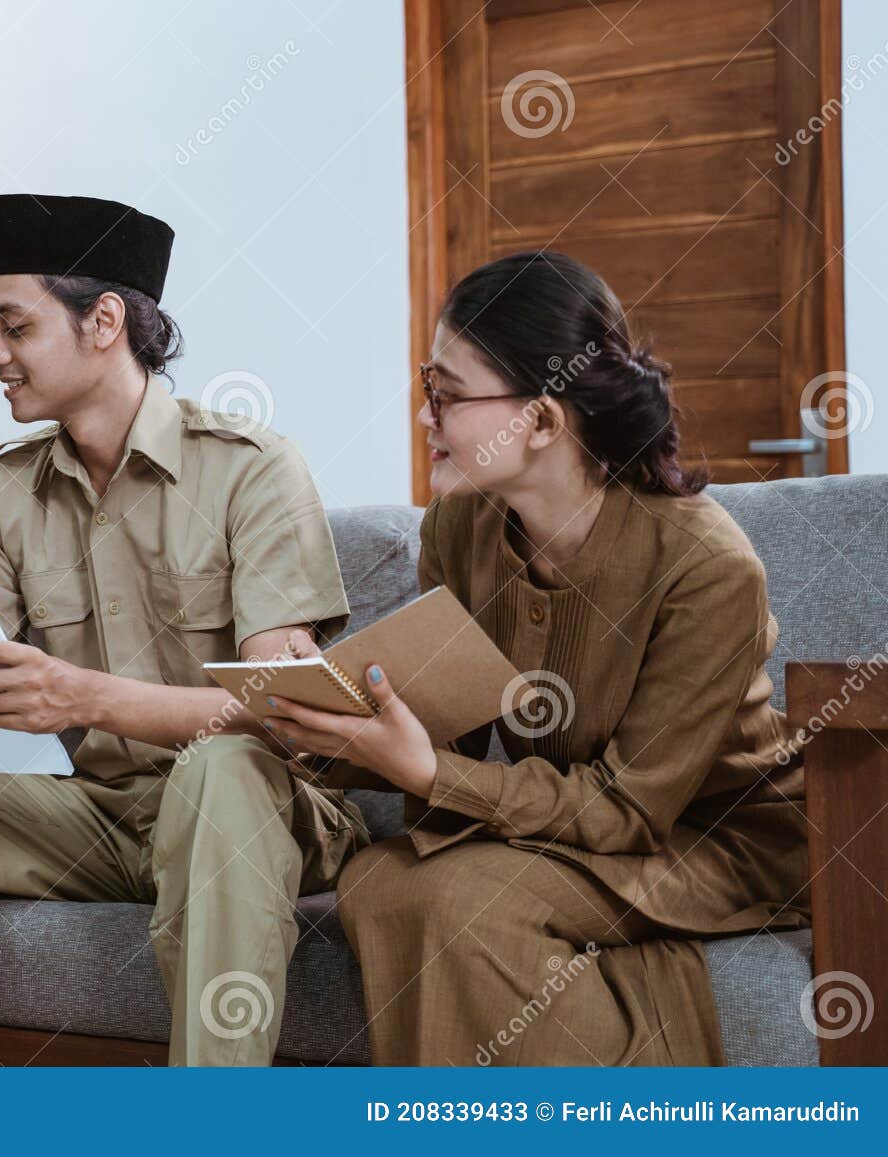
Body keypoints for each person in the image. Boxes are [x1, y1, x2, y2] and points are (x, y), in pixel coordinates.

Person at [0, 194, 364, 1066]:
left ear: (104, 323)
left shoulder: (253, 469)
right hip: (86, 815)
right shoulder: (9, 487)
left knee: (224, 765)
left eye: (14, 326)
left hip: (243, 813)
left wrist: (84, 696)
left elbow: (285, 711)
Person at [263, 251, 809, 1065]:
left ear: (546, 422)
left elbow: (629, 810)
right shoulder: (459, 528)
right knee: (378, 882)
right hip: (566, 830)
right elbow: (443, 733)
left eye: (446, 395)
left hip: (706, 840)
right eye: (428, 387)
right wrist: (330, 723)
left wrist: (428, 774)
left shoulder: (707, 566)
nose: (426, 418)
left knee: (464, 898)